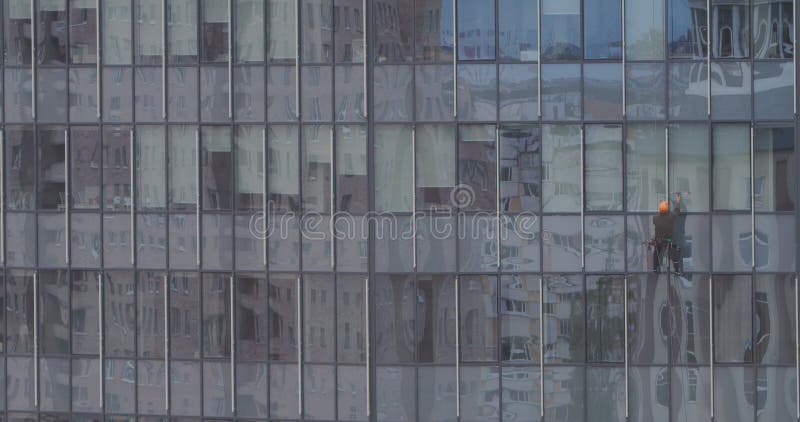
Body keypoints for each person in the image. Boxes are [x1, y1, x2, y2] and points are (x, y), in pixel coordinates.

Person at [651, 193, 682, 273]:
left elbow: (657, 221)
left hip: (659, 241)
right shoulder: (671, 216)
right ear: (667, 209)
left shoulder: (655, 218)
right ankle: (676, 270)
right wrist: (678, 200)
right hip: (668, 241)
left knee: (656, 253)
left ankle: (655, 268)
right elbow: (677, 210)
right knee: (674, 255)